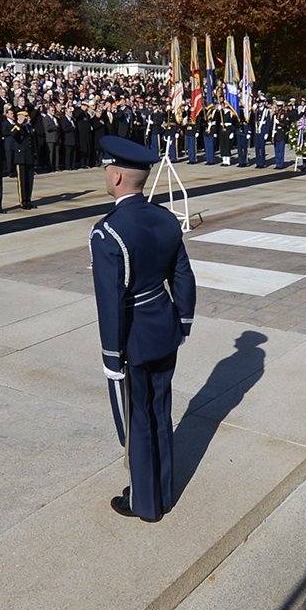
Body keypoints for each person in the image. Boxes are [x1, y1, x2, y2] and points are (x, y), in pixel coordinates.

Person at [93, 135, 197, 522]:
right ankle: (162, 491)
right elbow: (182, 275)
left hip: (134, 337)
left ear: (117, 176)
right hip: (165, 327)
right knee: (160, 412)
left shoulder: (108, 231)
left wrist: (111, 356)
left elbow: (111, 301)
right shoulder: (165, 218)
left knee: (138, 421)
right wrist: (182, 320)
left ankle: (145, 503)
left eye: (108, 168)